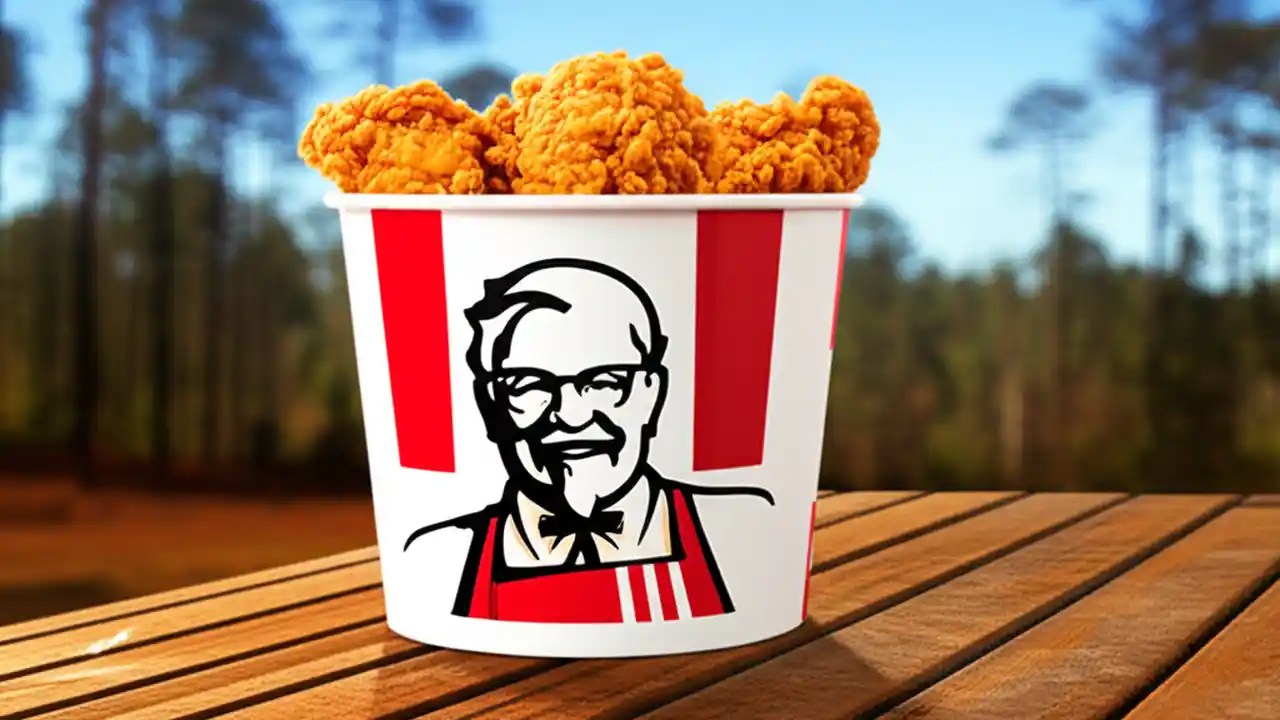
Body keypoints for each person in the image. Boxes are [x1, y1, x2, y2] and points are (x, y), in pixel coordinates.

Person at [403, 258, 774, 623]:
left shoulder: (742, 524)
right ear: (490, 407)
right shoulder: (438, 552)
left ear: (651, 395)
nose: (572, 415)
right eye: (530, 385)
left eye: (605, 382)